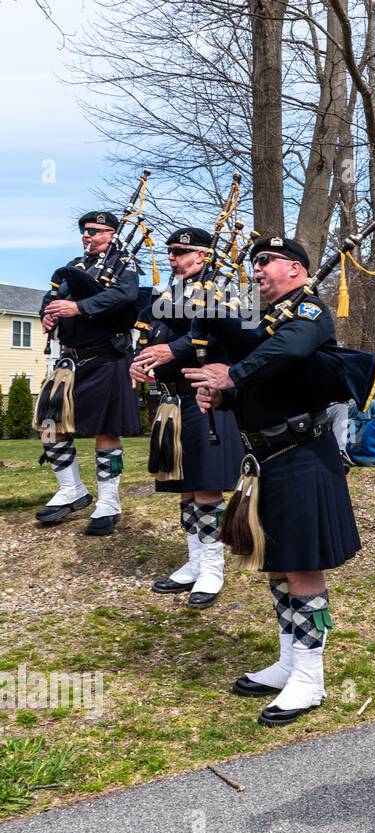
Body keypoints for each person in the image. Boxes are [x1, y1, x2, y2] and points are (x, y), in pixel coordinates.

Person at [184, 235, 361, 727]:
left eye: (265, 261)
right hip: (264, 457)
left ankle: (311, 675)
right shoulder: (266, 324)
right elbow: (267, 383)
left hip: (304, 454)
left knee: (303, 567)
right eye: (253, 263)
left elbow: (284, 354)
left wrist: (231, 376)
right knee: (277, 564)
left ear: (298, 270)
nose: (256, 270)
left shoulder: (308, 315)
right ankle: (288, 660)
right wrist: (226, 398)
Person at [129, 227, 244, 607]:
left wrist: (172, 350)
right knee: (185, 484)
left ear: (203, 256)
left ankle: (213, 566)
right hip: (171, 402)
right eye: (170, 251)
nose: (172, 257)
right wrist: (140, 361)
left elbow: (223, 335)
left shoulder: (227, 292)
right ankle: (194, 561)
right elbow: (150, 337)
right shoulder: (166, 296)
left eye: (180, 251)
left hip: (205, 398)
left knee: (207, 486)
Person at [36, 211, 144, 535]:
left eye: (94, 231)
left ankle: (108, 502)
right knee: (49, 424)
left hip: (106, 357)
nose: (87, 235)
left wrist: (79, 307)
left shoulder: (125, 264)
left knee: (106, 431)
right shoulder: (75, 266)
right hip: (70, 362)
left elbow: (124, 296)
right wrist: (48, 314)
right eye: (84, 230)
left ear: (111, 234)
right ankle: (72, 491)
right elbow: (51, 294)